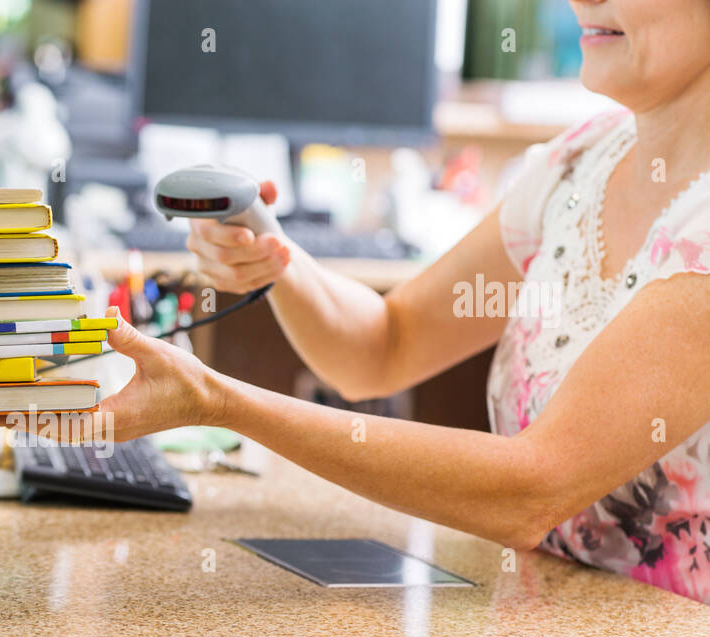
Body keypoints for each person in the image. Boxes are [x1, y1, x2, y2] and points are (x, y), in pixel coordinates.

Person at [42, 0, 710, 603]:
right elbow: (384, 347)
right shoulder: (576, 165)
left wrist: (216, 402)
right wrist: (275, 258)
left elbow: (530, 490)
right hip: (543, 635)